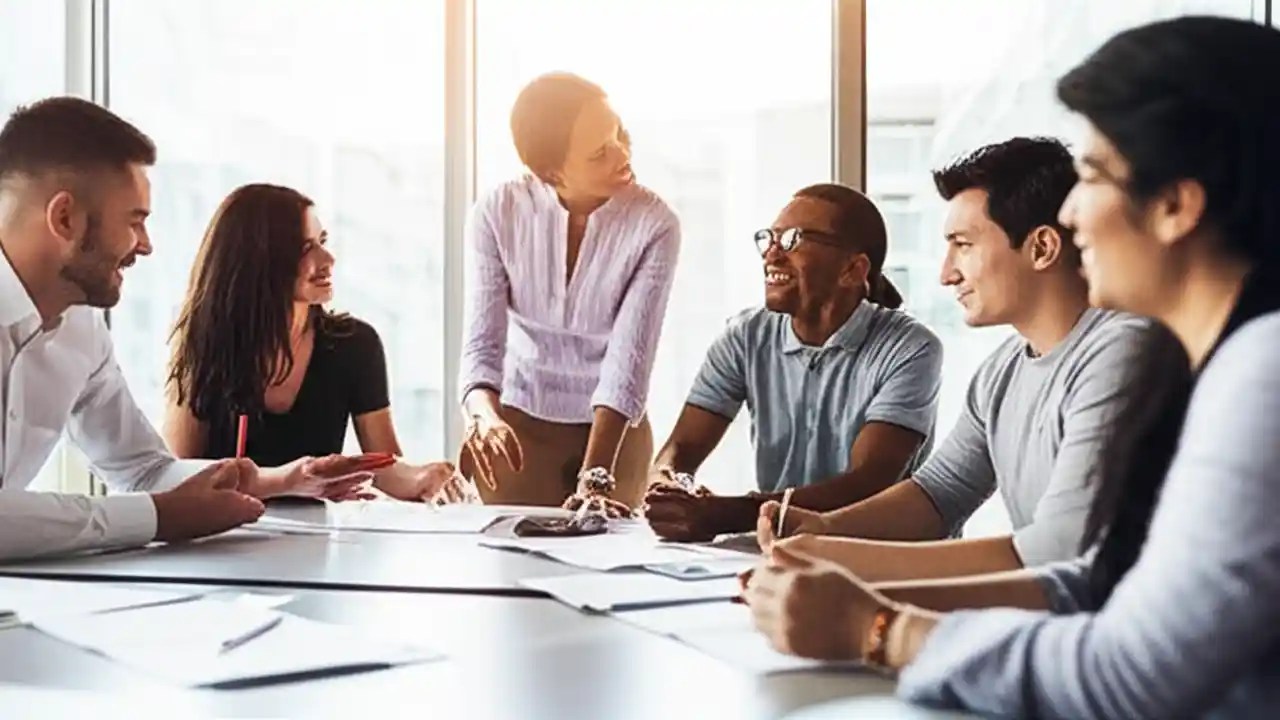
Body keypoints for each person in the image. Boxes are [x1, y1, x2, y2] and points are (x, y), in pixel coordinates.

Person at [746, 16, 1280, 718]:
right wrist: (839, 565)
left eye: (1091, 176)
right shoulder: (1187, 361)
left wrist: (878, 629)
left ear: (1176, 204)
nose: (1072, 213)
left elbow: (1128, 674)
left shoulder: (1258, 371)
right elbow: (1098, 579)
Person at [755, 137, 1186, 578]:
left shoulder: (1123, 351)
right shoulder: (1001, 371)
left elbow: (1056, 548)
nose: (946, 274)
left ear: (1041, 248)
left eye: (963, 244)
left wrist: (839, 558)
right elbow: (939, 493)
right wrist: (825, 529)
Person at [0, 97, 378, 562]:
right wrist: (157, 518)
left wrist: (276, 479)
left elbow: (142, 470)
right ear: (65, 219)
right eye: (135, 222)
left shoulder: (82, 331)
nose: (146, 245)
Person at [644, 183, 942, 542]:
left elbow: (867, 484)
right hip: (785, 550)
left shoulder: (911, 348)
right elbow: (680, 450)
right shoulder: (745, 335)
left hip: (882, 557)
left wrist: (731, 513)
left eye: (792, 240)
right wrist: (667, 488)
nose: (771, 253)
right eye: (770, 238)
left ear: (852, 269)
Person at [457, 72, 679, 514]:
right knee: (512, 574)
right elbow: (482, 344)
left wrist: (595, 479)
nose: (622, 153)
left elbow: (628, 362)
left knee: (607, 571)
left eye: (620, 133)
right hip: (517, 434)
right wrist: (482, 417)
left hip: (614, 439)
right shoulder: (497, 212)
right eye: (600, 152)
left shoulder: (656, 225)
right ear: (552, 172)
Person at [163, 183, 467, 503]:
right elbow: (177, 479)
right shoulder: (204, 346)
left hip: (314, 545)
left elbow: (383, 465)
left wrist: (421, 477)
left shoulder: (355, 345)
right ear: (259, 258)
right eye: (304, 248)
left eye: (322, 241)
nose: (328, 258)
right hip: (223, 541)